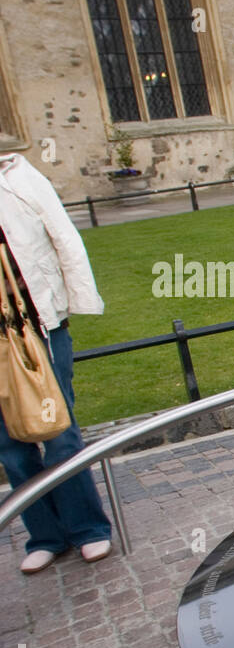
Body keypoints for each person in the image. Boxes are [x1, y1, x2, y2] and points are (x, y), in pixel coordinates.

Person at [0, 153, 113, 574]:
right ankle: (45, 535)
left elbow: (64, 238)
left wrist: (77, 301)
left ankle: (88, 528)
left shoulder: (20, 178)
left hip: (39, 327)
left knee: (60, 433)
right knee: (12, 447)